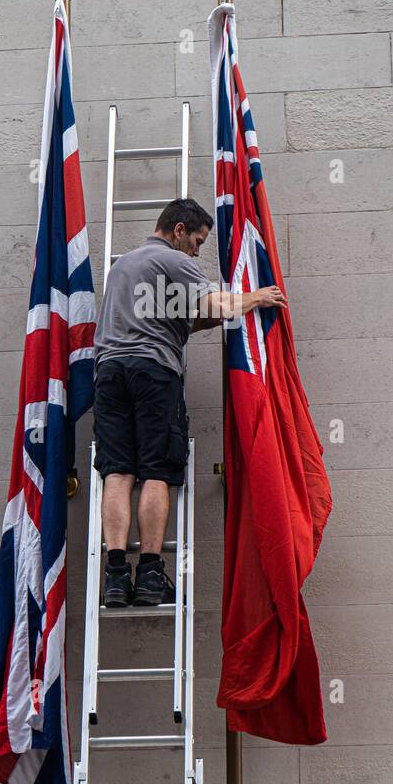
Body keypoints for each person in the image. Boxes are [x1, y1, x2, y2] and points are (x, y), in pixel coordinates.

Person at [93, 196, 286, 606]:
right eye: (197, 241)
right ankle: (147, 573)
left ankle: (113, 575)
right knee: (156, 472)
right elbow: (214, 302)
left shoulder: (122, 267)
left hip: (109, 375)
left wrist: (211, 317)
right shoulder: (174, 261)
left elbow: (180, 318)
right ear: (178, 230)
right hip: (152, 374)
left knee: (118, 474)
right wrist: (257, 298)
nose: (198, 250)